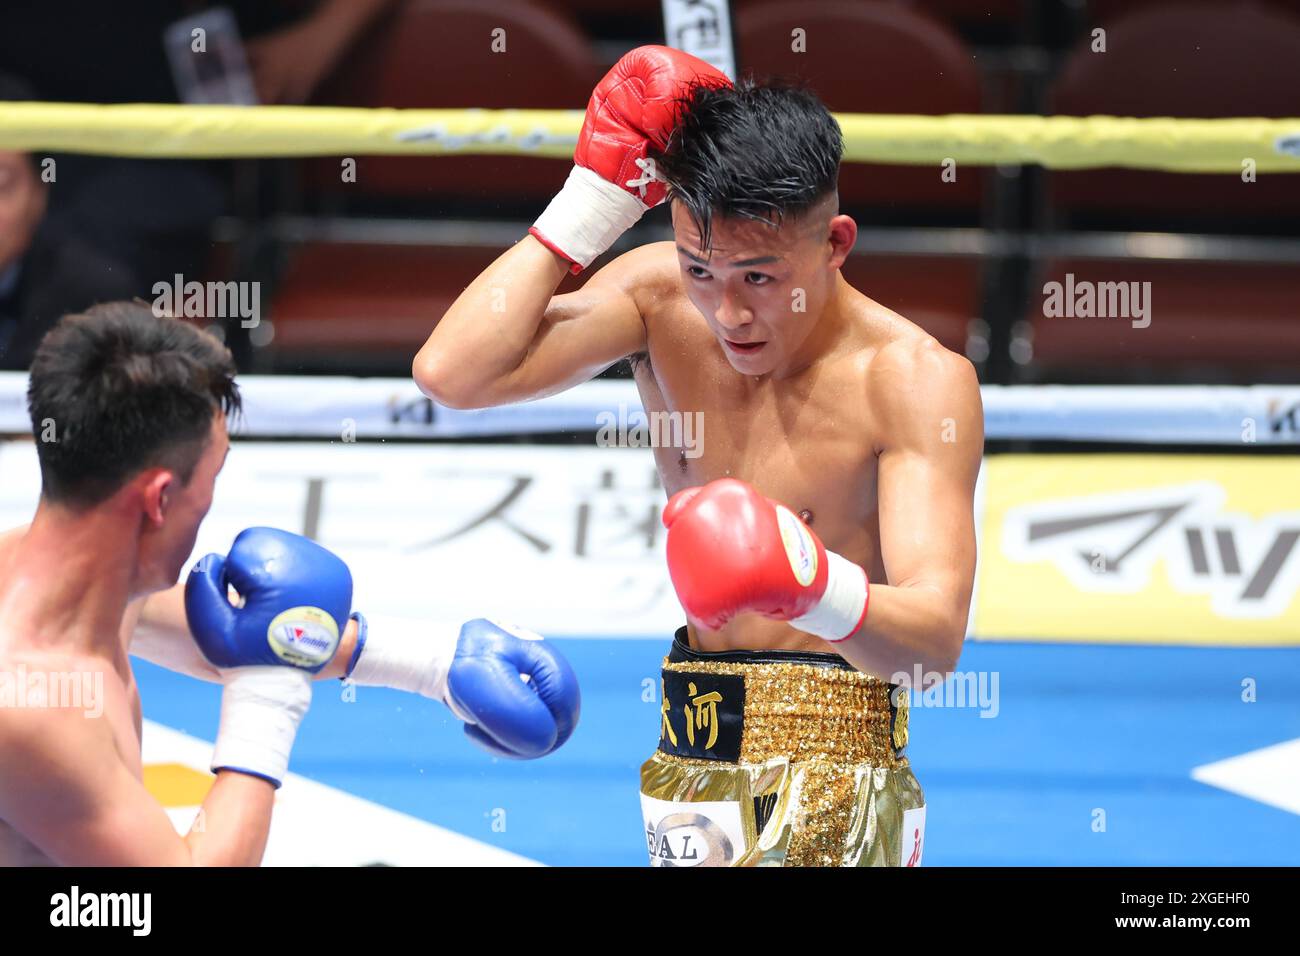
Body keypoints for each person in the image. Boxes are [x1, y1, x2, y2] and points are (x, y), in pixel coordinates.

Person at [413, 46, 982, 866]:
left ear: (836, 244)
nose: (727, 311)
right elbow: (454, 373)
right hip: (687, 742)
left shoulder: (916, 382)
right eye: (701, 269)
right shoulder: (659, 299)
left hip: (837, 768)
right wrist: (590, 206)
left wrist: (811, 585)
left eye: (759, 276)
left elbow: (934, 647)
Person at [0, 302, 579, 865]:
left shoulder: (67, 570)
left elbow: (234, 633)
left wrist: (430, 662)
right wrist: (266, 697)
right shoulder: (32, 709)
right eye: (215, 473)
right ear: (159, 499)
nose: (212, 496)